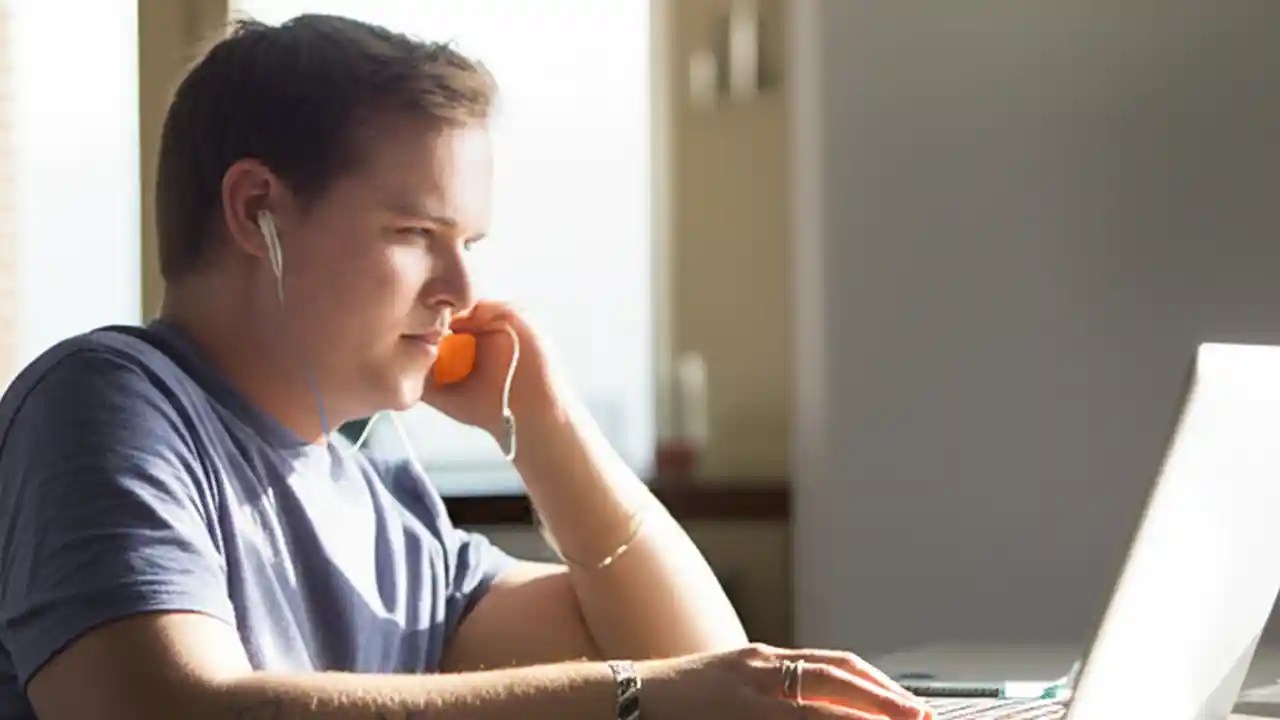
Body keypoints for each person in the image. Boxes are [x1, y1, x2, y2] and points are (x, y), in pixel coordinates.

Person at [0, 14, 932, 720]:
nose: (458, 285)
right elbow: (164, 710)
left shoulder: (373, 480)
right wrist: (634, 695)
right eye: (415, 233)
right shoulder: (105, 403)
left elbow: (699, 662)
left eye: (469, 242)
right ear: (256, 211)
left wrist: (550, 428)